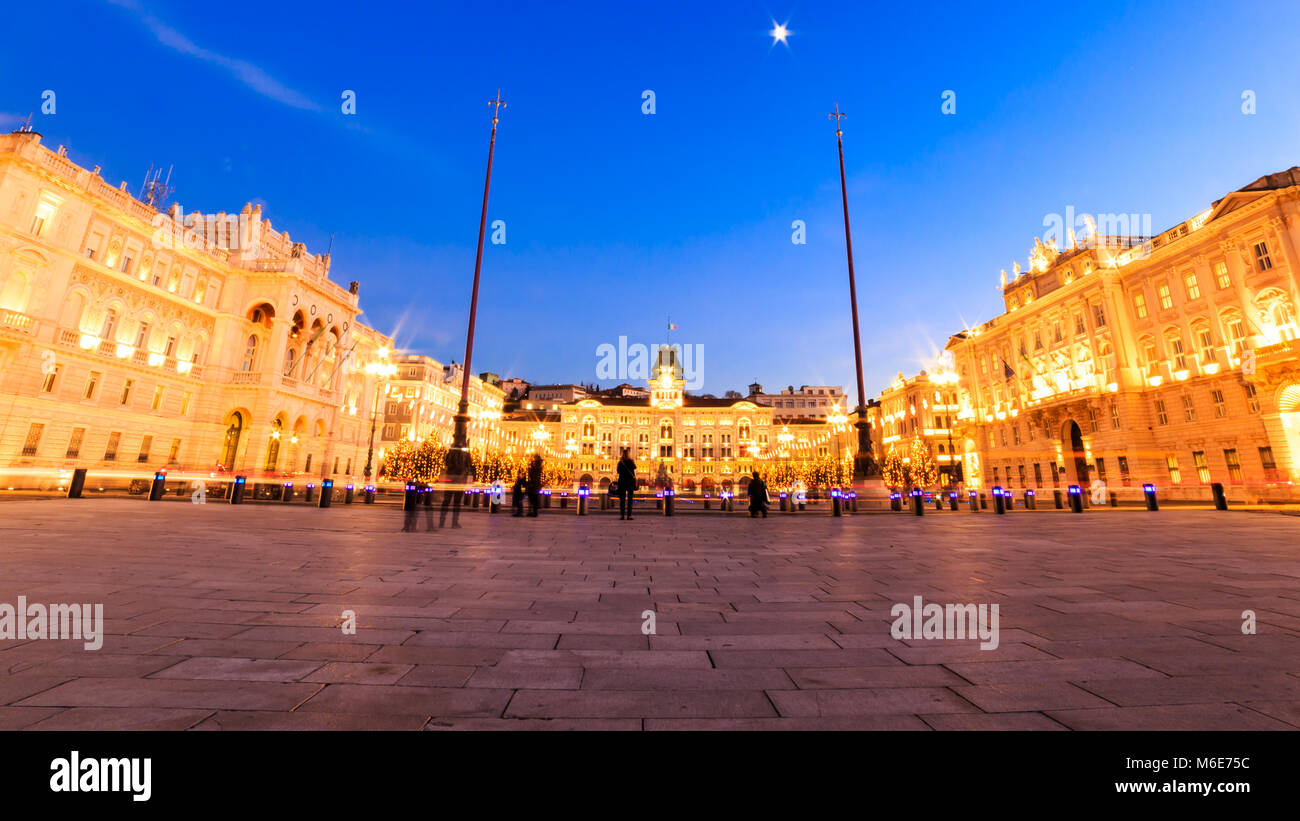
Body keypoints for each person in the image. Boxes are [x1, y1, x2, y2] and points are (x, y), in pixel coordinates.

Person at [440, 448, 474, 528]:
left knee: (447, 501)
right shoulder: (465, 454)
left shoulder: (450, 452)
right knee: (456, 502)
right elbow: (469, 465)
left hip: (452, 479)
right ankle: (454, 523)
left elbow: (446, 463)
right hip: (459, 480)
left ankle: (442, 522)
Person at [616, 448, 637, 520]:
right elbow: (635, 467)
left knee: (622, 500)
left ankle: (622, 515)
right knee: (630, 499)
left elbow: (618, 471)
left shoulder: (620, 462)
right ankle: (629, 515)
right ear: (628, 454)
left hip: (622, 482)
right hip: (630, 482)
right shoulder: (631, 461)